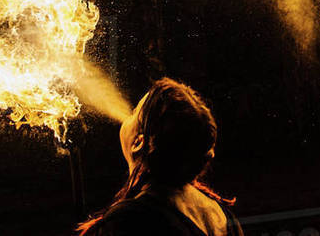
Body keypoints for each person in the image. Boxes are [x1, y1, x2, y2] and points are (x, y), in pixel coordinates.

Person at [78, 78, 242, 236]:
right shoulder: (223, 215)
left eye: (135, 111)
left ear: (138, 142)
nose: (129, 114)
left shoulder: (130, 221)